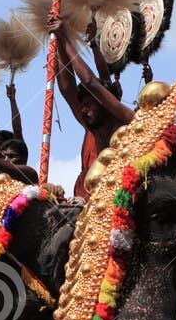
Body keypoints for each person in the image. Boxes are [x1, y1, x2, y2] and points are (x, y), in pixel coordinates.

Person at [50, 12, 136, 199]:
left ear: (104, 102)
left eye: (89, 104)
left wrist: (66, 39)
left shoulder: (126, 118)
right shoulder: (91, 126)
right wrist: (58, 42)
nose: (83, 110)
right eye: (83, 105)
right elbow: (67, 90)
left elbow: (91, 82)